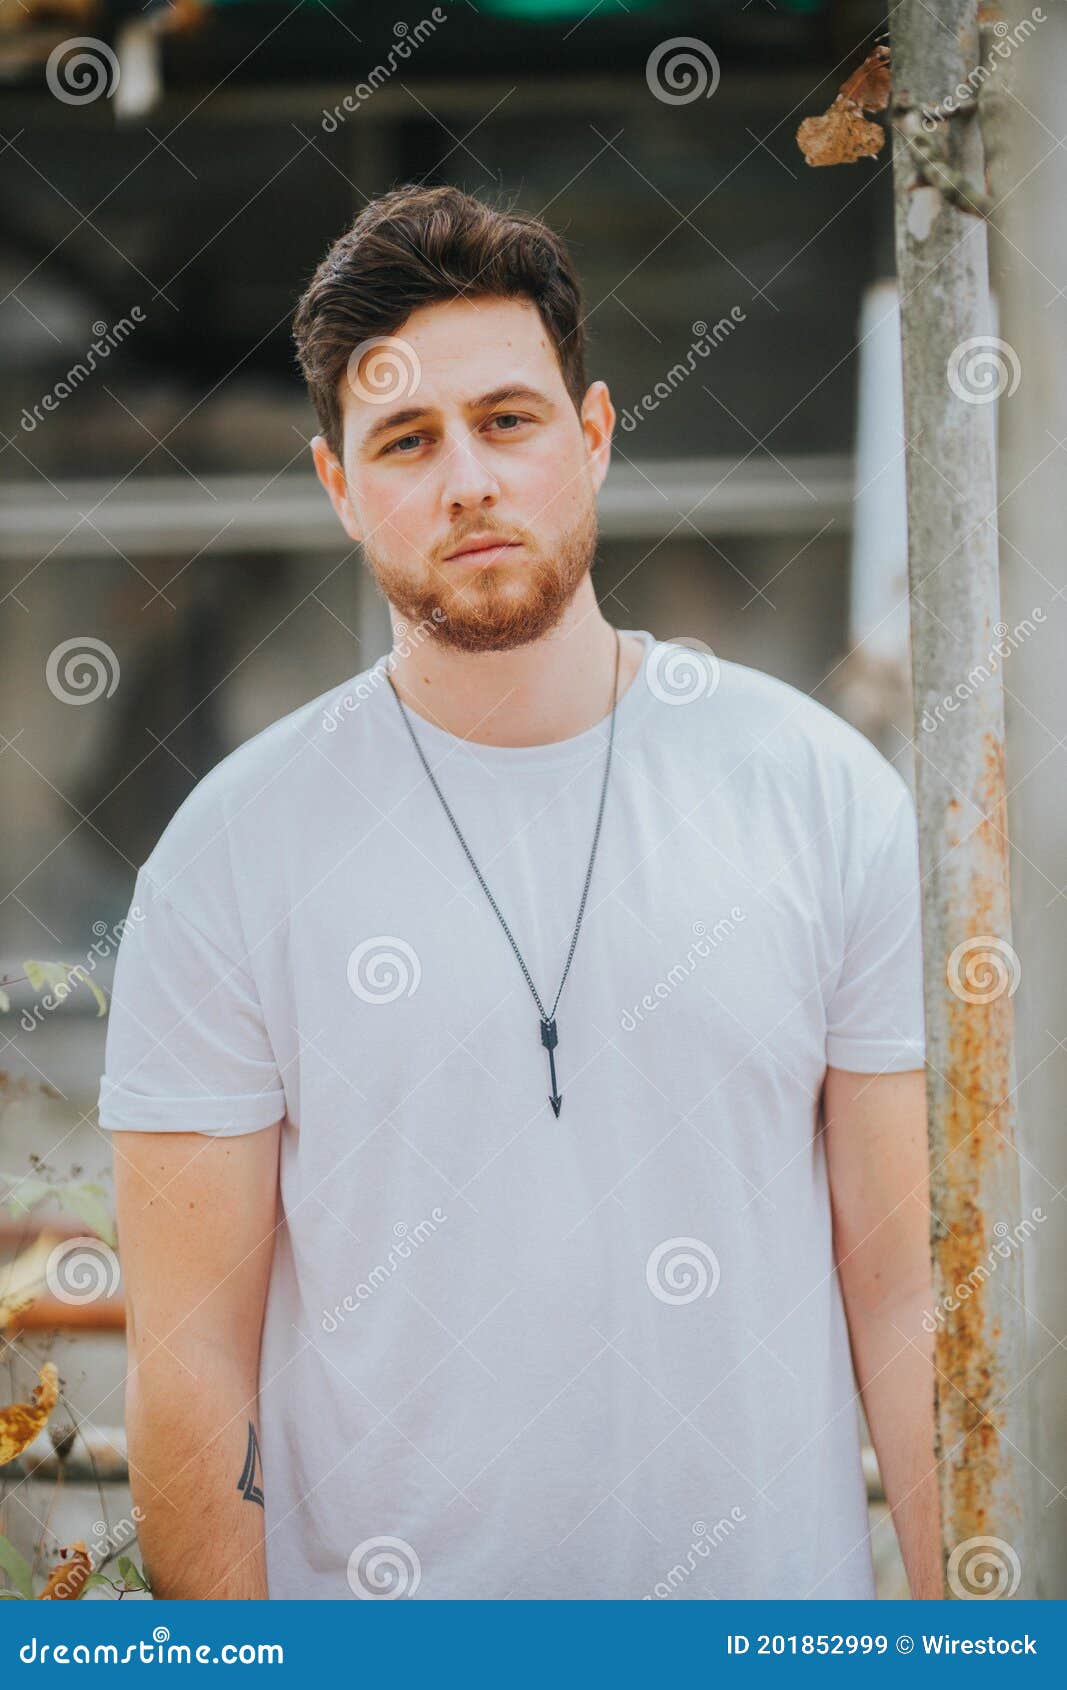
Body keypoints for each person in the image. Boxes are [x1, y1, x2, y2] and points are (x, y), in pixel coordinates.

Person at [98, 183, 939, 1601]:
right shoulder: (233, 853)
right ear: (339, 485)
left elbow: (913, 1301)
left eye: (509, 421)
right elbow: (188, 1361)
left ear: (593, 436)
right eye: (408, 441)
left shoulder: (819, 792)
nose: (469, 480)